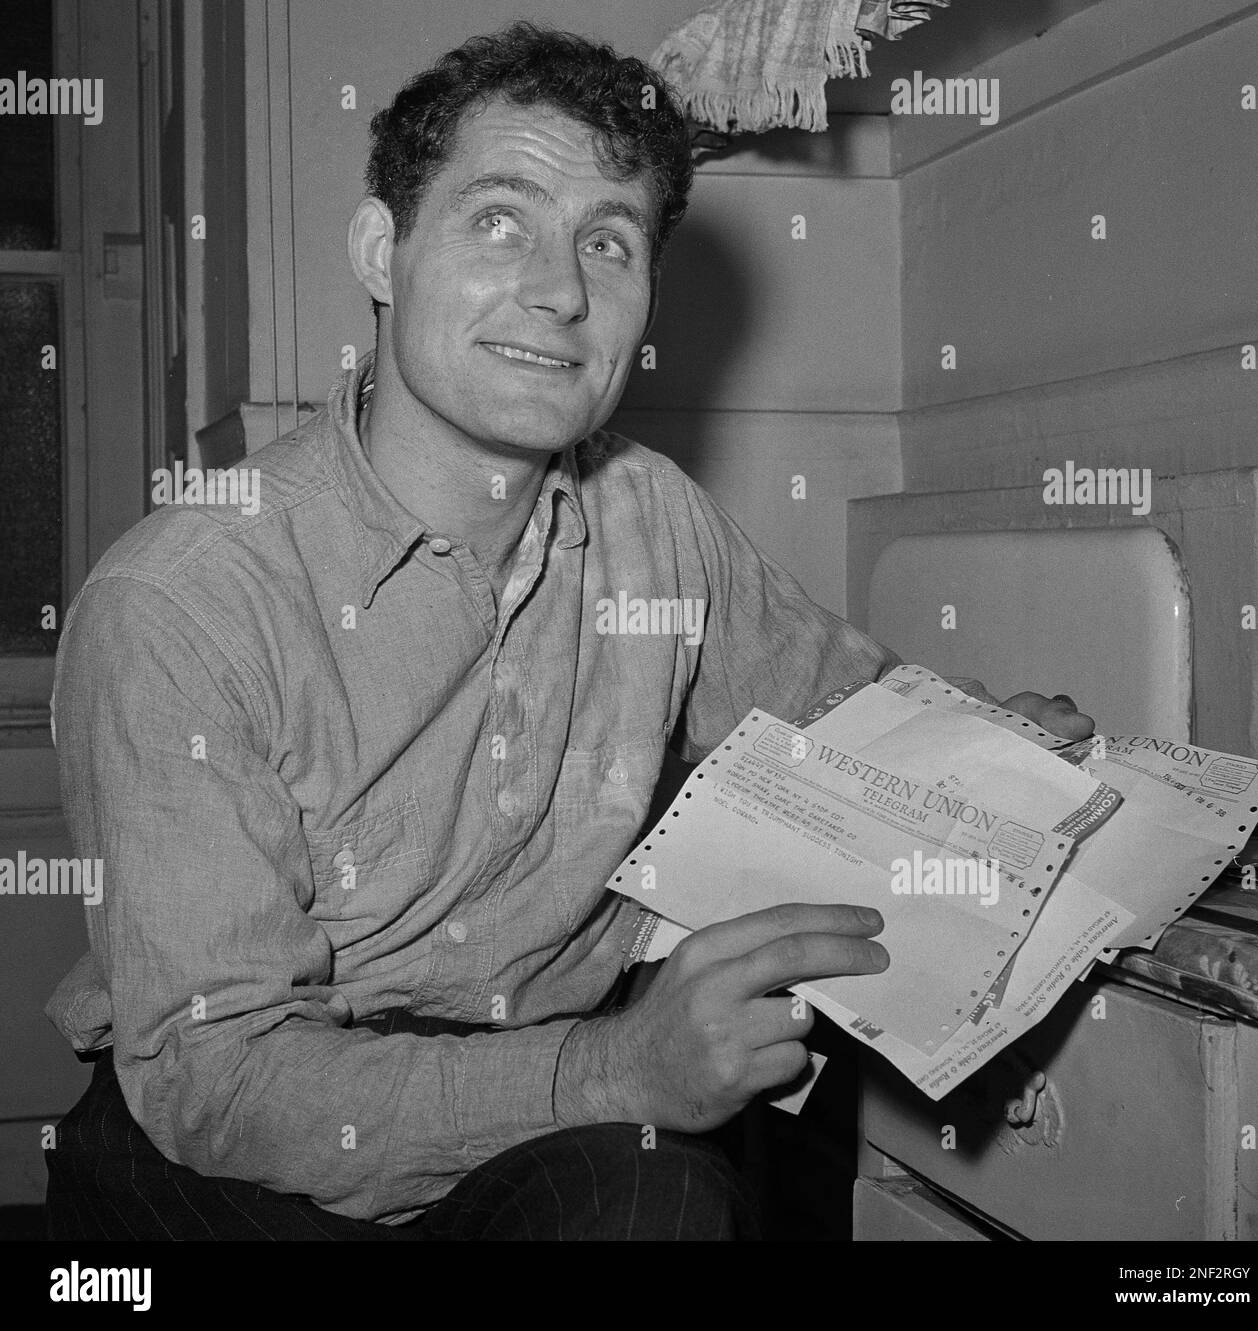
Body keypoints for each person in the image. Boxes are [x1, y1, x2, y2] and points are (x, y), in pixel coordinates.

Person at [43, 21, 1091, 1241]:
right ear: (382, 251)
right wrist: (613, 1071)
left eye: (608, 240)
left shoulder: (649, 515)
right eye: (500, 220)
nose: (560, 288)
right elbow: (215, 1079)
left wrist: (984, 744)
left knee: (673, 1190)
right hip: (240, 1116)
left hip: (537, 1086)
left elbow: (843, 715)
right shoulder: (183, 601)